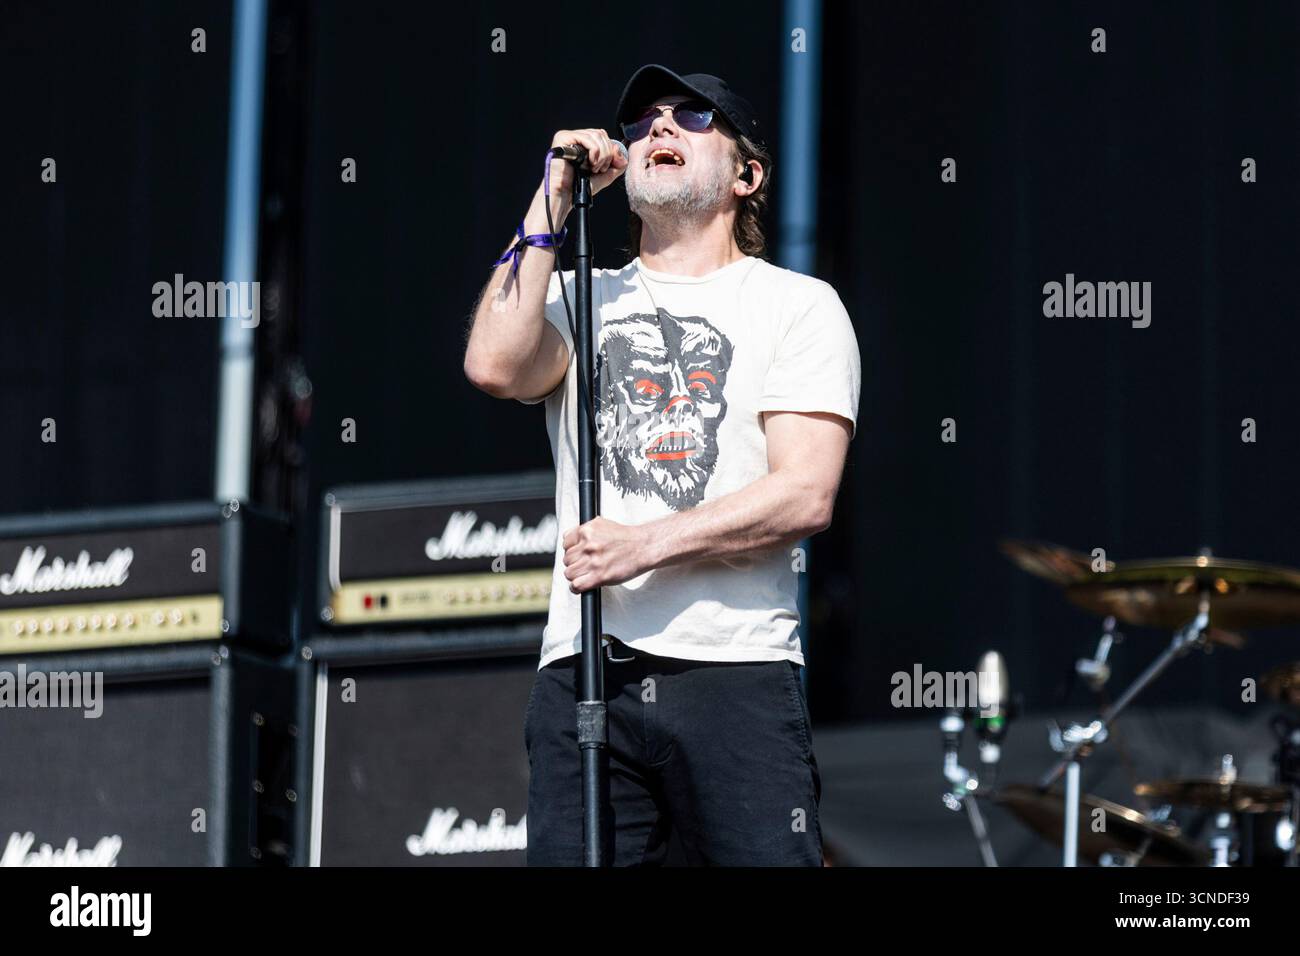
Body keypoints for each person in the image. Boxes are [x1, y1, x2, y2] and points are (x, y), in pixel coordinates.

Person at [463, 64, 861, 865]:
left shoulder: (797, 304)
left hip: (735, 668)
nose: (661, 127)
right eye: (643, 120)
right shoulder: (583, 296)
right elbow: (494, 365)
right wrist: (555, 194)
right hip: (585, 671)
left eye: (694, 116)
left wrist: (644, 545)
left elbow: (805, 494)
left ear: (747, 176)